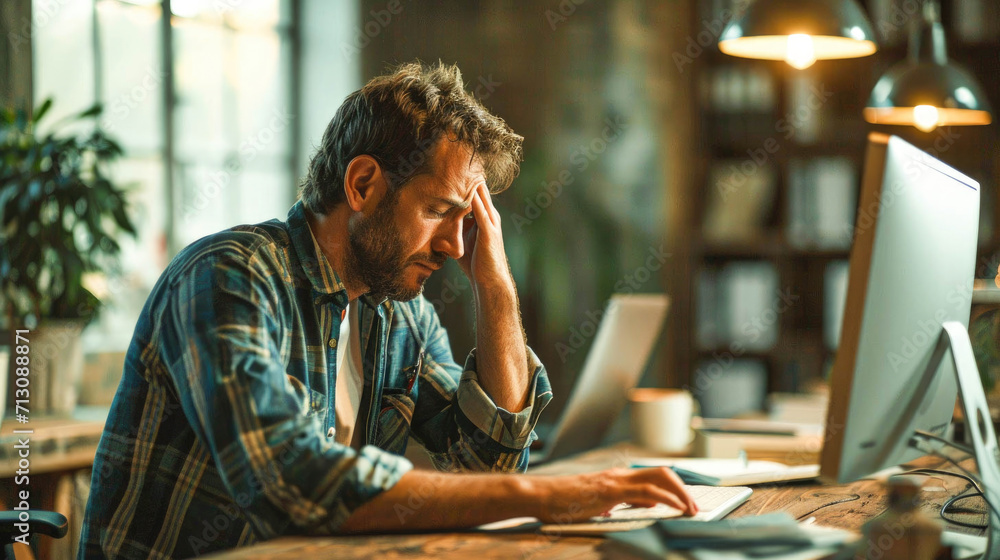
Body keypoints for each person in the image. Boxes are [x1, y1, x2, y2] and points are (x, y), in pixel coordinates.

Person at [79, 61, 696, 559]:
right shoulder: (228, 276)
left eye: (467, 222)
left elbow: (489, 460)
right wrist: (545, 496)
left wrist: (497, 288)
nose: (456, 247)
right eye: (439, 212)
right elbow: (287, 480)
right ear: (363, 185)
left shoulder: (396, 314)